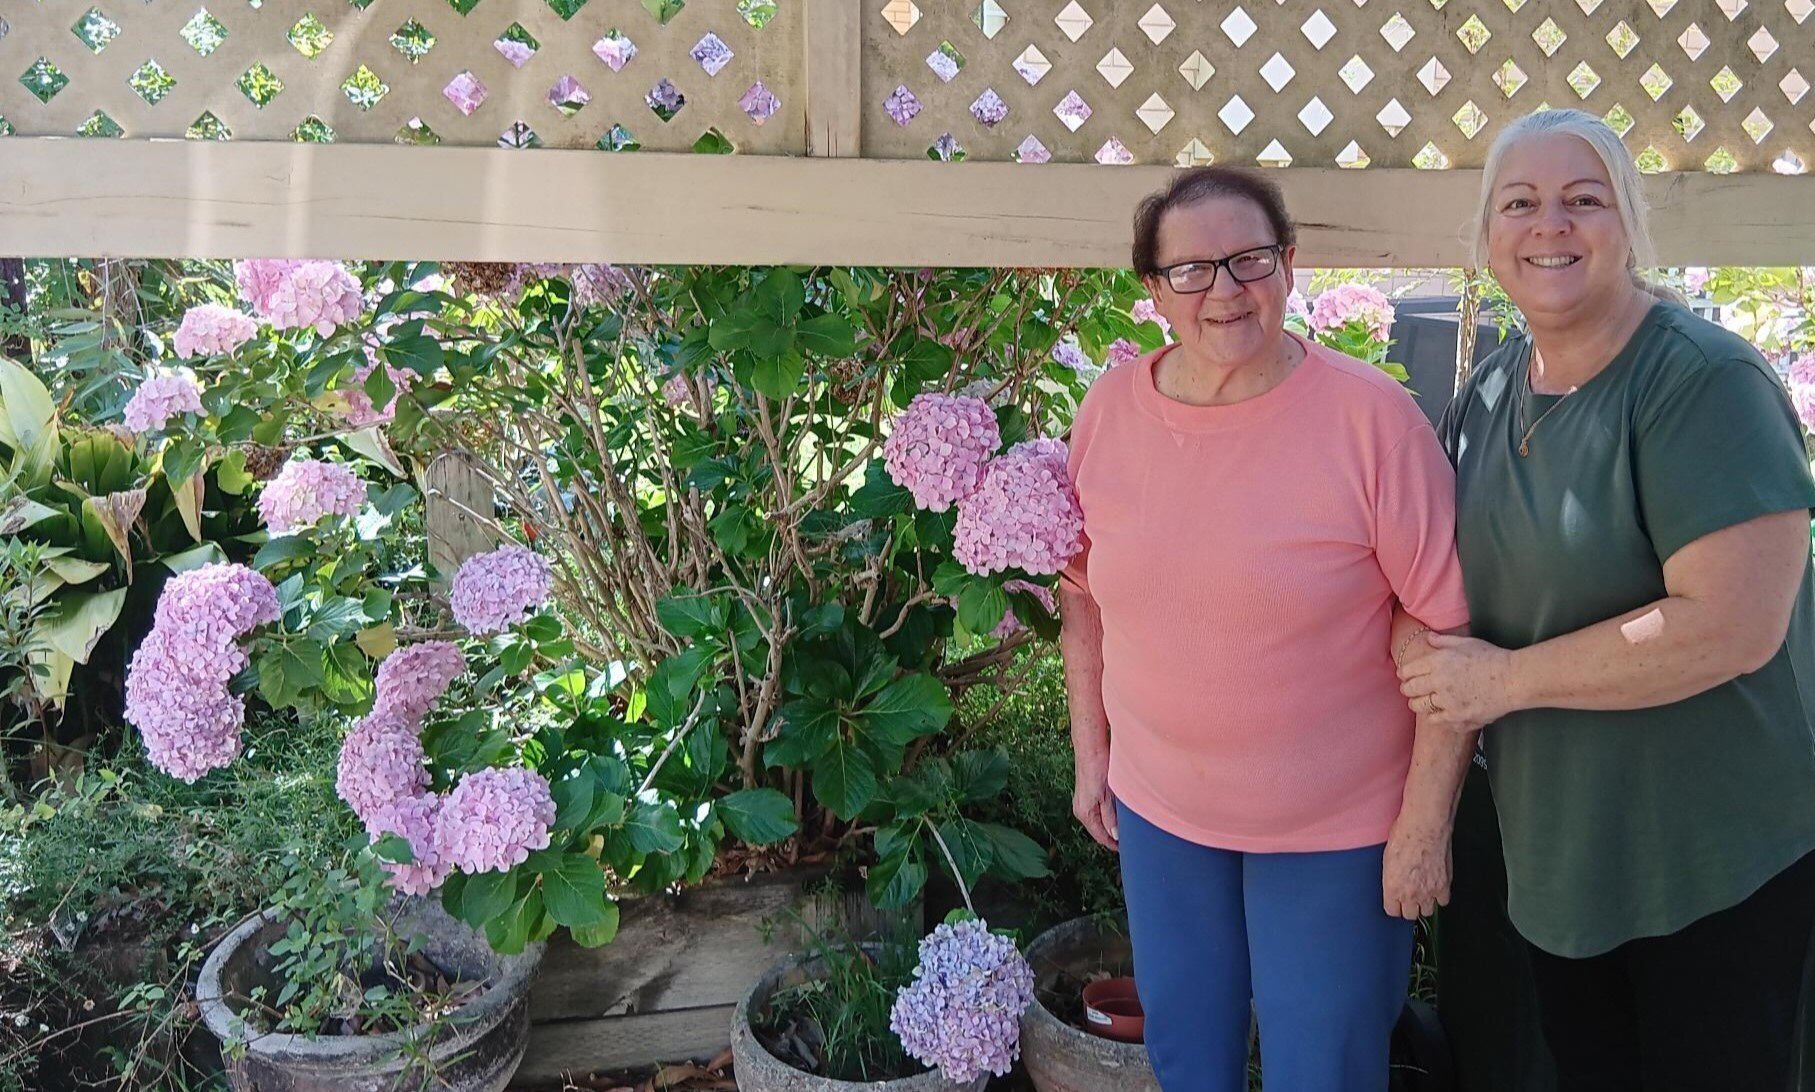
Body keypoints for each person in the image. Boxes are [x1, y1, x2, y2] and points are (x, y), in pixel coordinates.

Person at [1399, 108, 1815, 1091]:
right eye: (1521, 203)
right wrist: (1423, 822)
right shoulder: (1491, 391)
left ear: (1627, 222)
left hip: (1710, 865)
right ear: (1488, 234)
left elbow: (1726, 622)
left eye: (1583, 201)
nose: (1551, 225)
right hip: (1566, 863)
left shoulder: (1700, 384)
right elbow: (1451, 617)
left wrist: (1508, 681)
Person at [1058, 165, 1474, 1091]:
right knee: (1186, 1060)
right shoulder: (1109, 412)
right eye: (1191, 270)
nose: (1224, 292)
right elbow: (1081, 591)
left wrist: (1422, 824)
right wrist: (1095, 752)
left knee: (1320, 1070)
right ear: (1153, 289)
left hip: (1335, 830)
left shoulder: (1372, 422)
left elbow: (1447, 636)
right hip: (1165, 814)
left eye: (1248, 260)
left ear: (1289, 265)